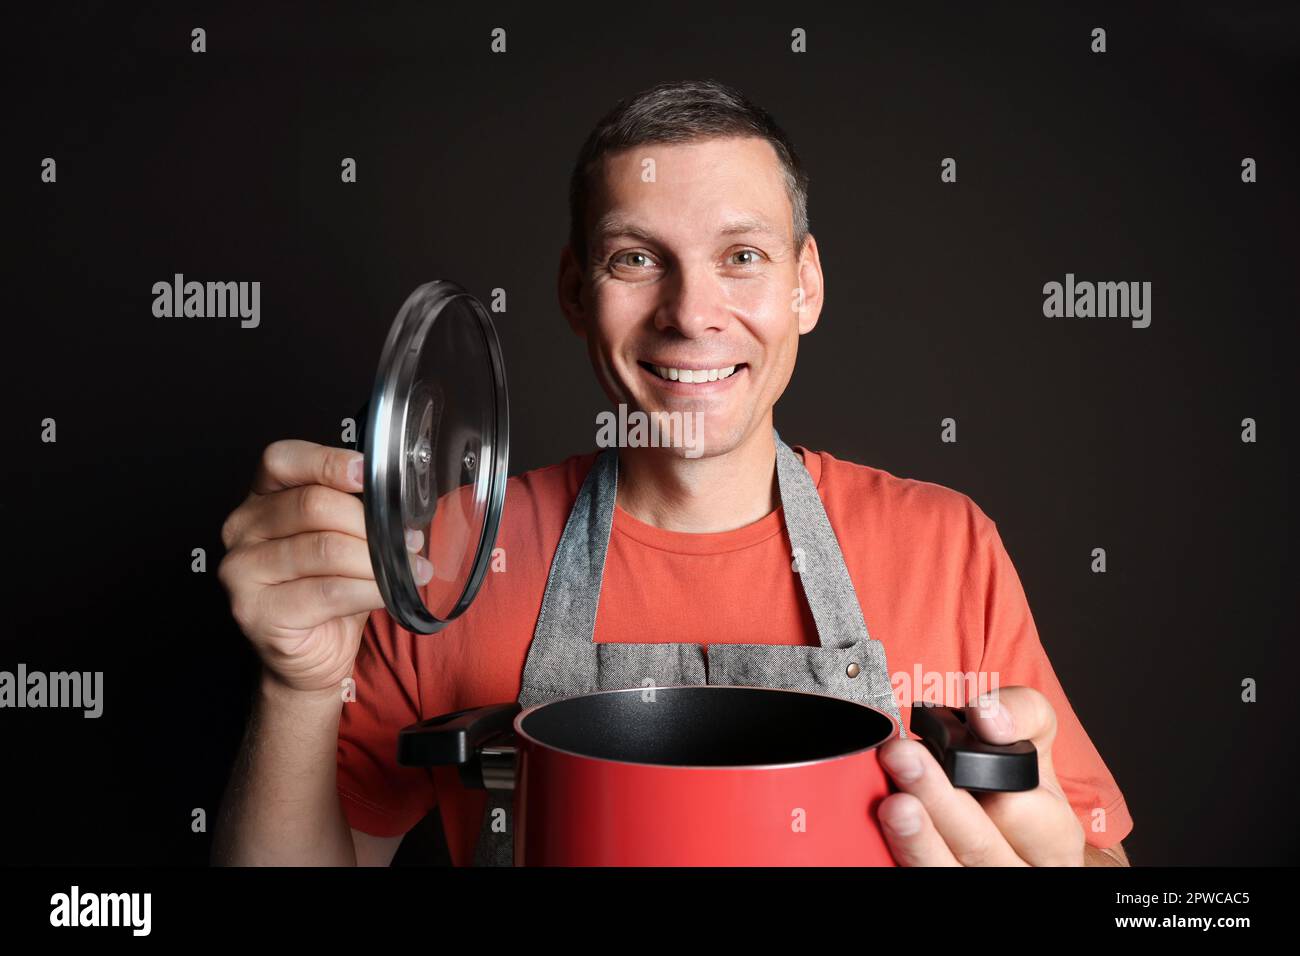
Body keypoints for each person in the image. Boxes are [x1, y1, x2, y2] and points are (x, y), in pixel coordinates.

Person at [211, 79, 1132, 867]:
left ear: (805, 286)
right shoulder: (452, 553)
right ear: (576, 294)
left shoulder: (947, 544)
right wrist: (295, 686)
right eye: (636, 259)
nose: (692, 313)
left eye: (743, 256)